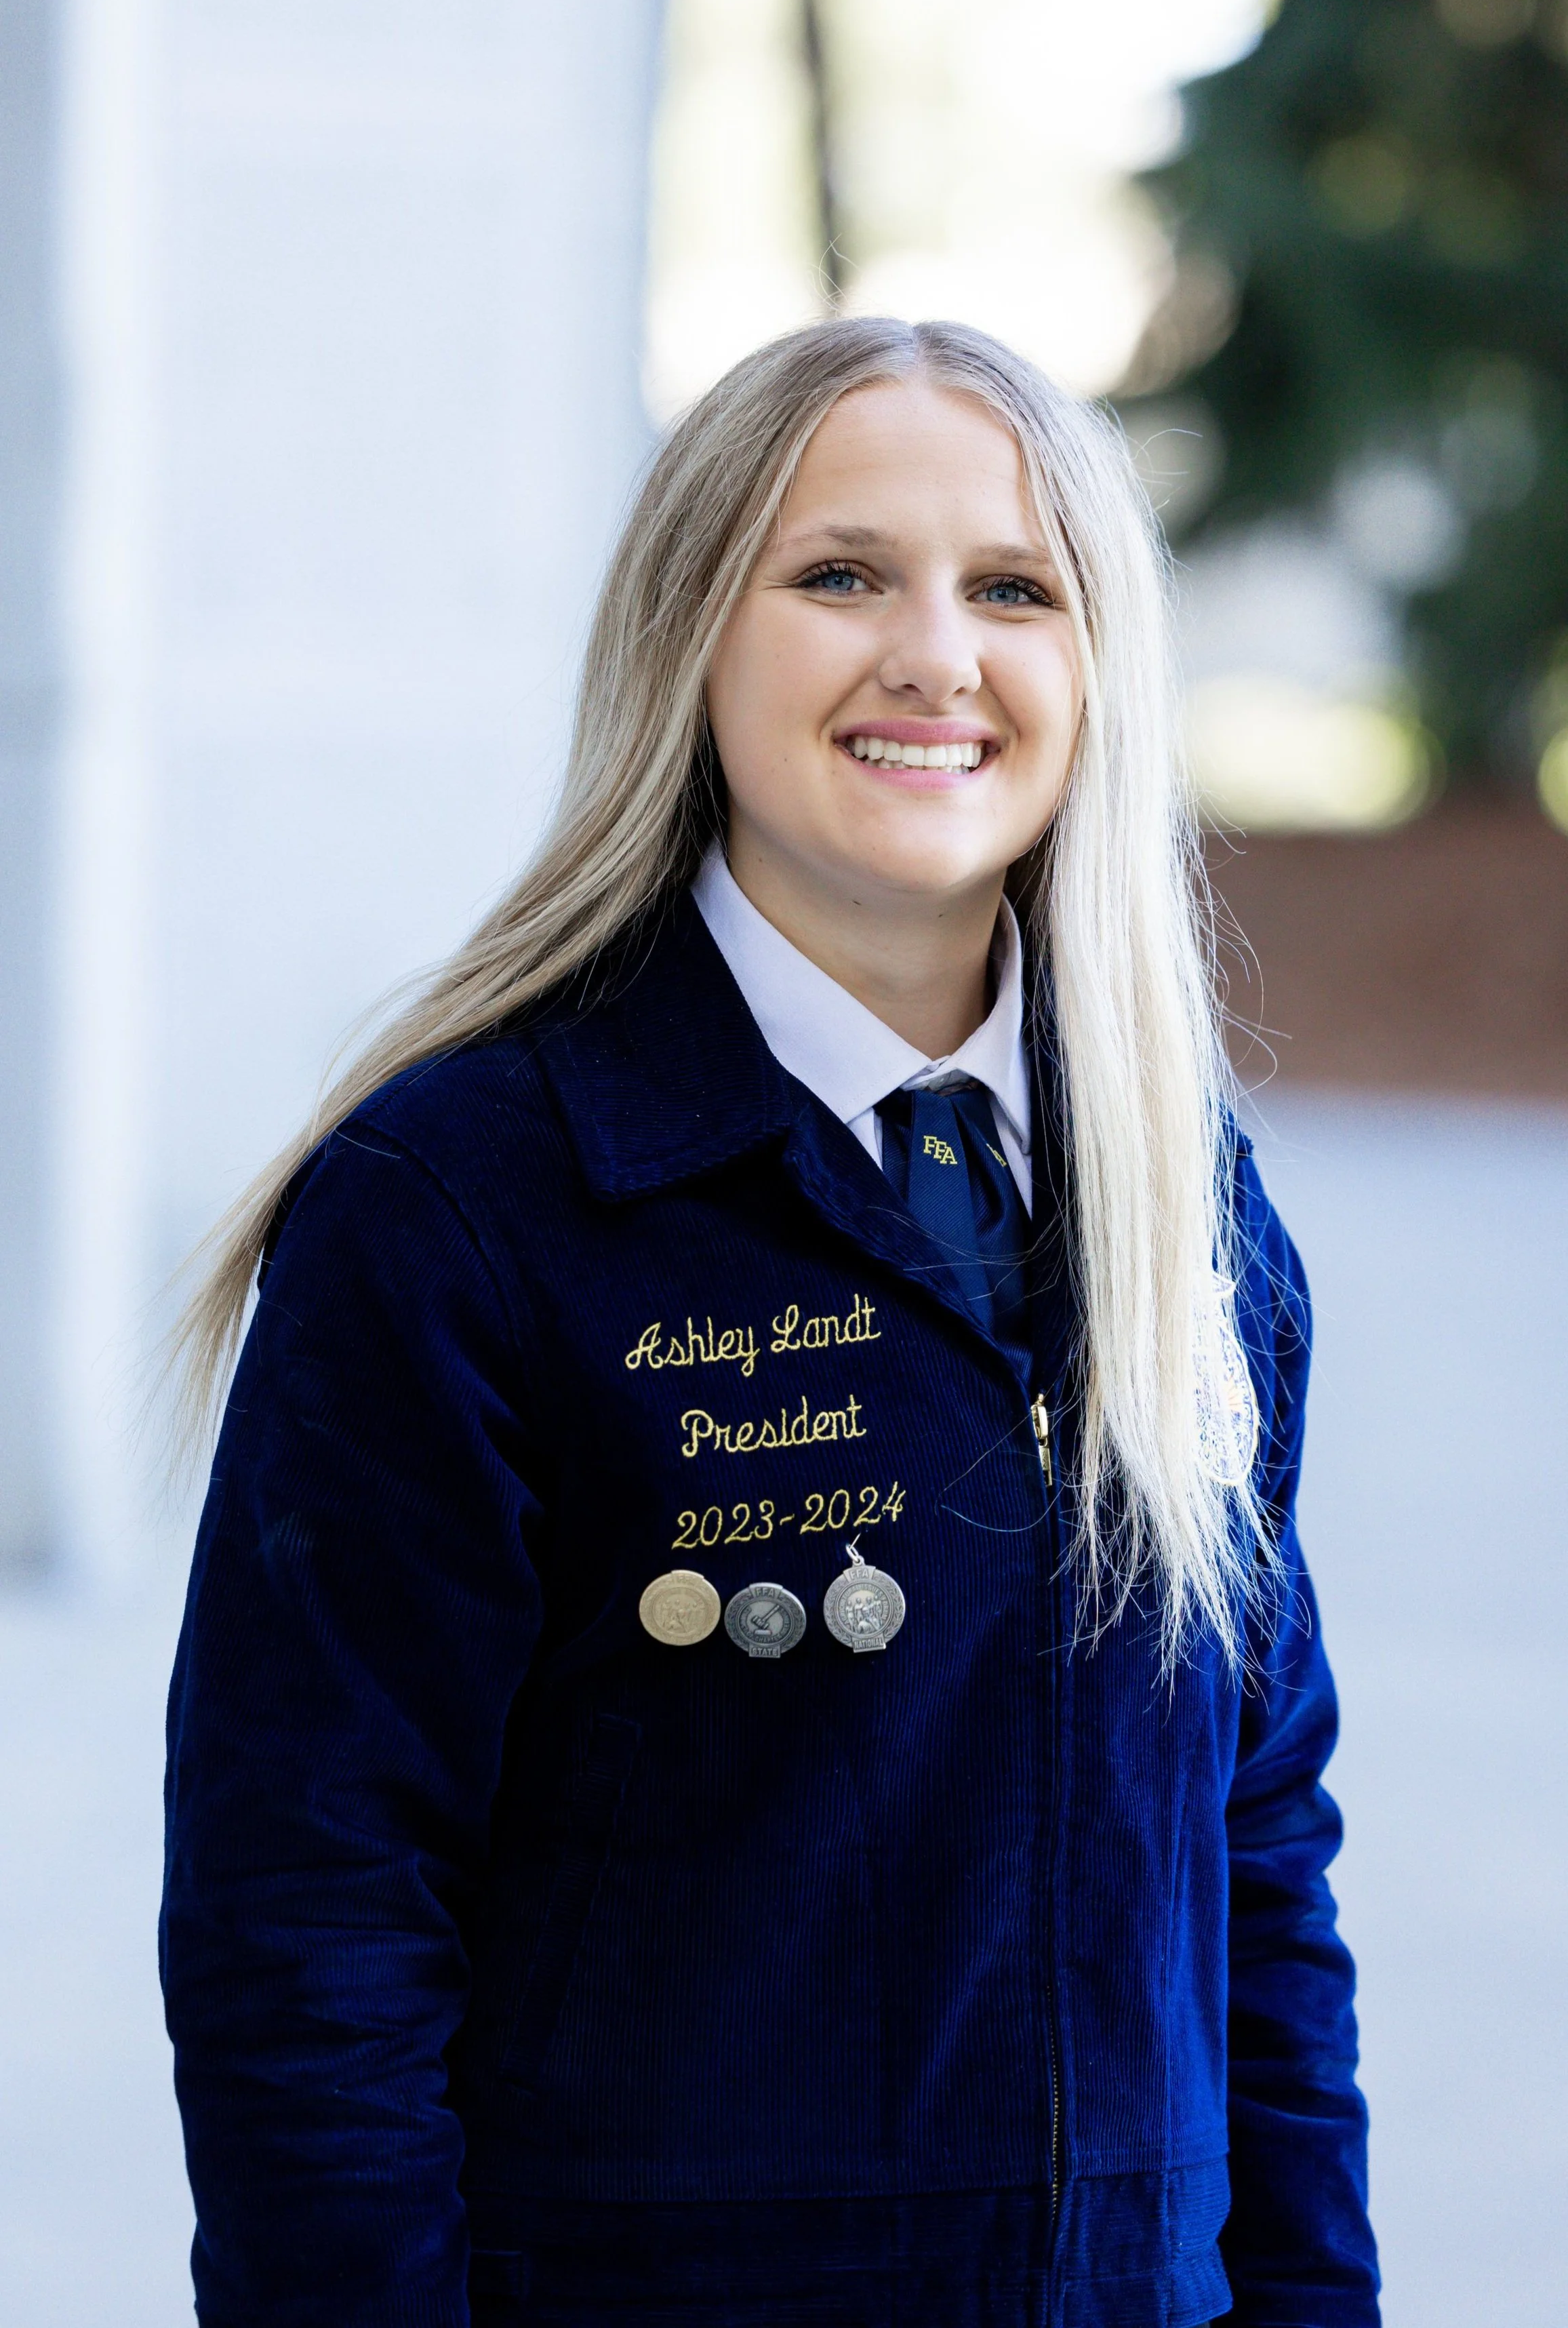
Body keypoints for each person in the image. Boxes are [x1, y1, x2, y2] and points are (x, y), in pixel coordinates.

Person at [161, 318, 1380, 2328]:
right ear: (690, 640)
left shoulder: (1187, 1208)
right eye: (840, 576)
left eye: (1015, 587)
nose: (937, 653)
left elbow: (1261, 1865)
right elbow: (314, 1932)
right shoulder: (462, 1206)